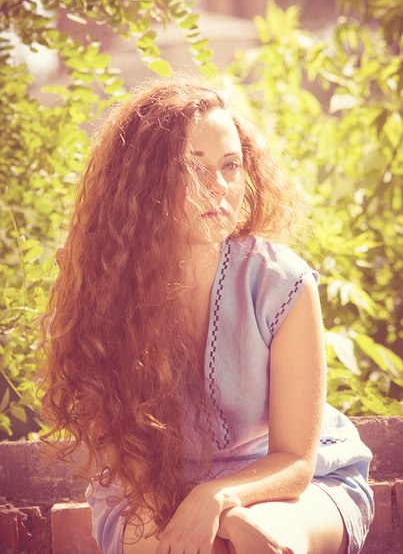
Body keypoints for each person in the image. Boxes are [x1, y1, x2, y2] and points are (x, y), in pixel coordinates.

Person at [40, 78, 374, 554]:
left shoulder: (282, 282)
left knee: (268, 541)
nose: (218, 186)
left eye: (230, 165)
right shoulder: (99, 292)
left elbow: (295, 462)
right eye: (192, 167)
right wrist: (221, 520)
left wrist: (221, 499)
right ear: (143, 180)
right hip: (148, 493)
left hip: (286, 485)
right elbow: (129, 469)